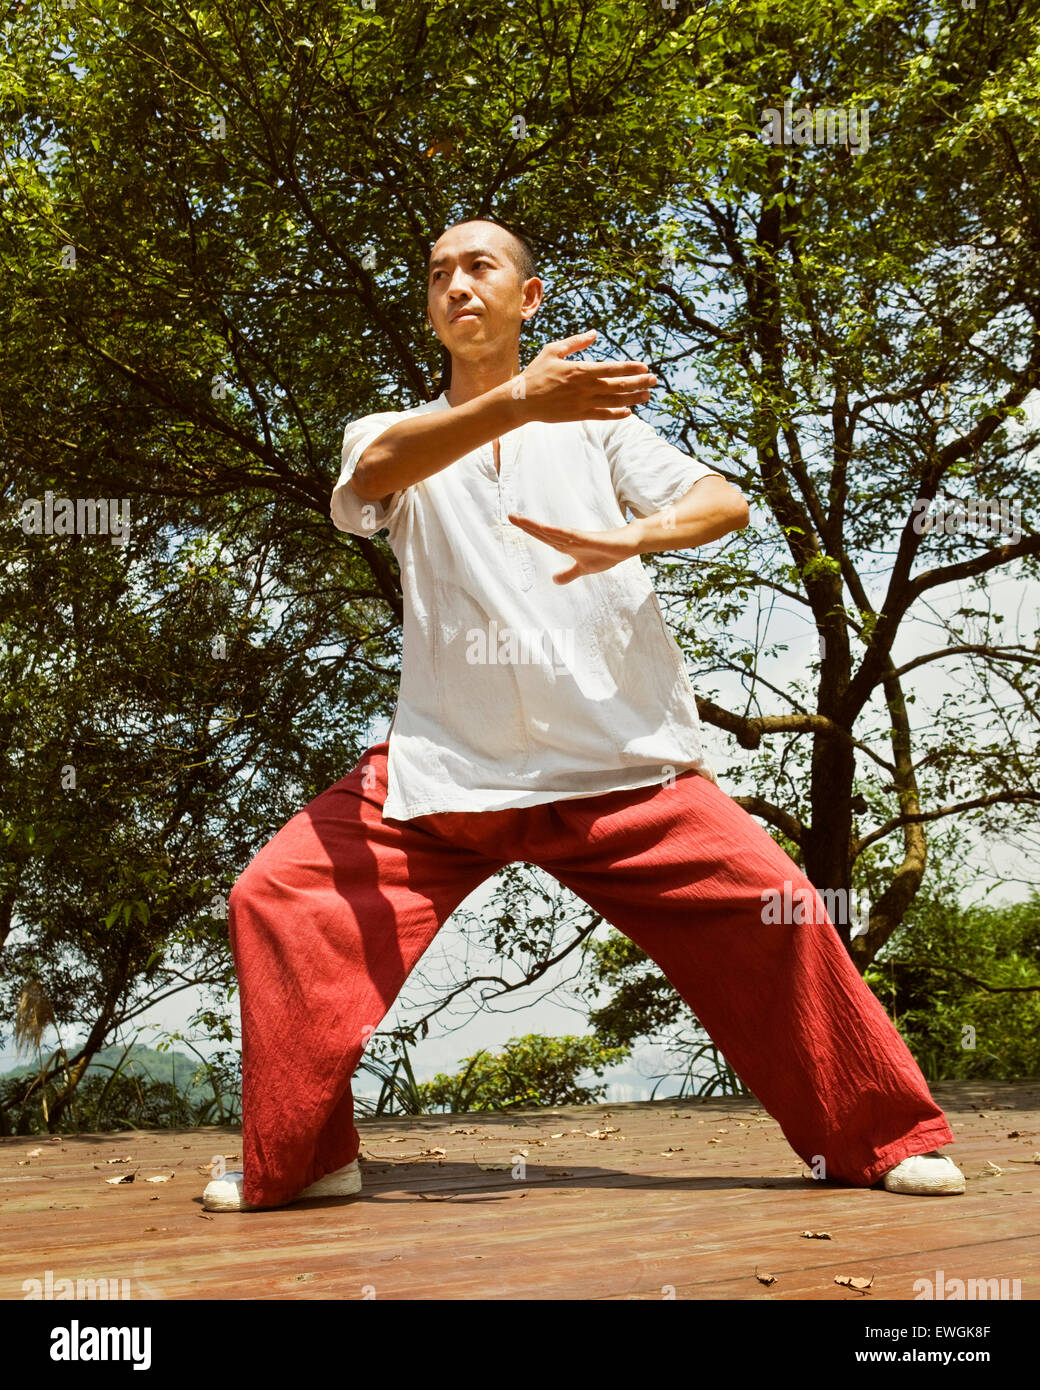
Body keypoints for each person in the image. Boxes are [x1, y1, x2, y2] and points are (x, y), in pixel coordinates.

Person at [203, 217, 963, 1212]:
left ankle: (878, 1136)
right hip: (448, 770)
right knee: (279, 895)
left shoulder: (597, 427)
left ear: (528, 300)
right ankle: (307, 1157)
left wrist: (635, 532)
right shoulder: (389, 435)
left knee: (773, 909)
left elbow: (721, 502)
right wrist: (518, 398)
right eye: (438, 274)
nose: (456, 284)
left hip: (617, 762)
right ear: (430, 309)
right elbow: (377, 474)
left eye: (480, 267)